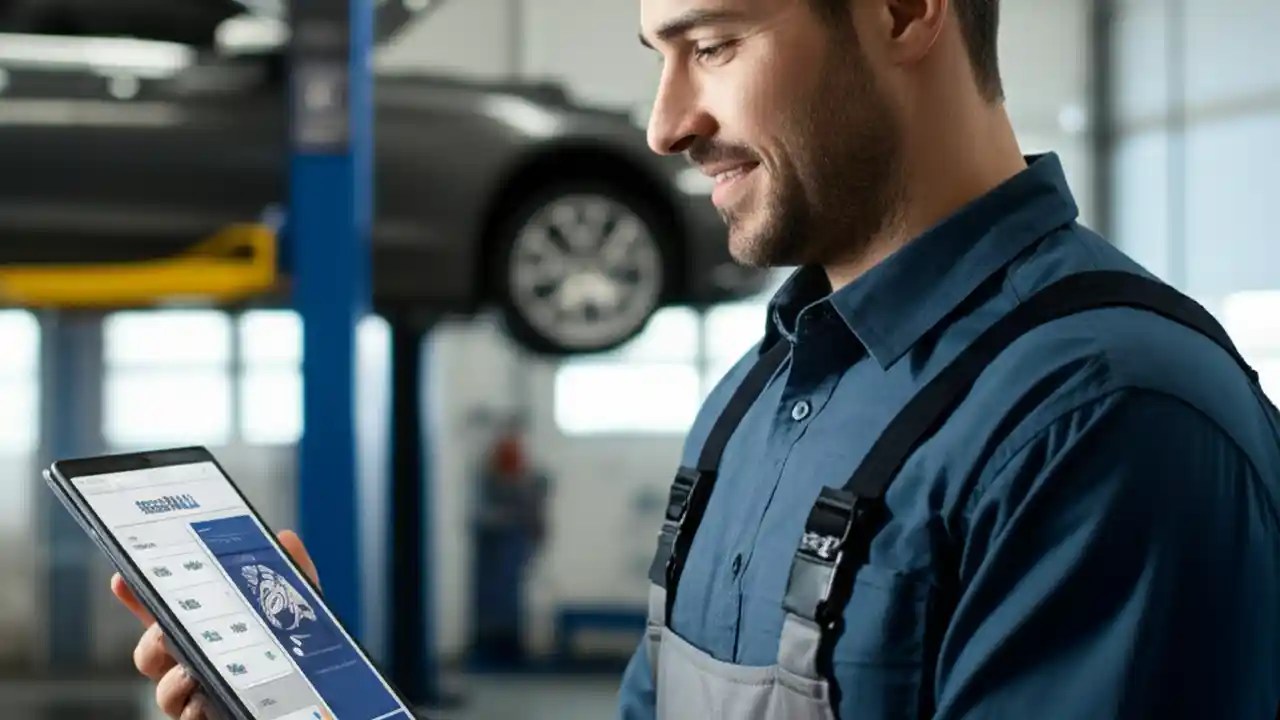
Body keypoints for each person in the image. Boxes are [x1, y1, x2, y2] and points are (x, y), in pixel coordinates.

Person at [117, 0, 1280, 718]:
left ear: (903, 8)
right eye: (655, 54)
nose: (664, 123)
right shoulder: (758, 398)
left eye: (712, 45)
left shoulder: (1106, 421)